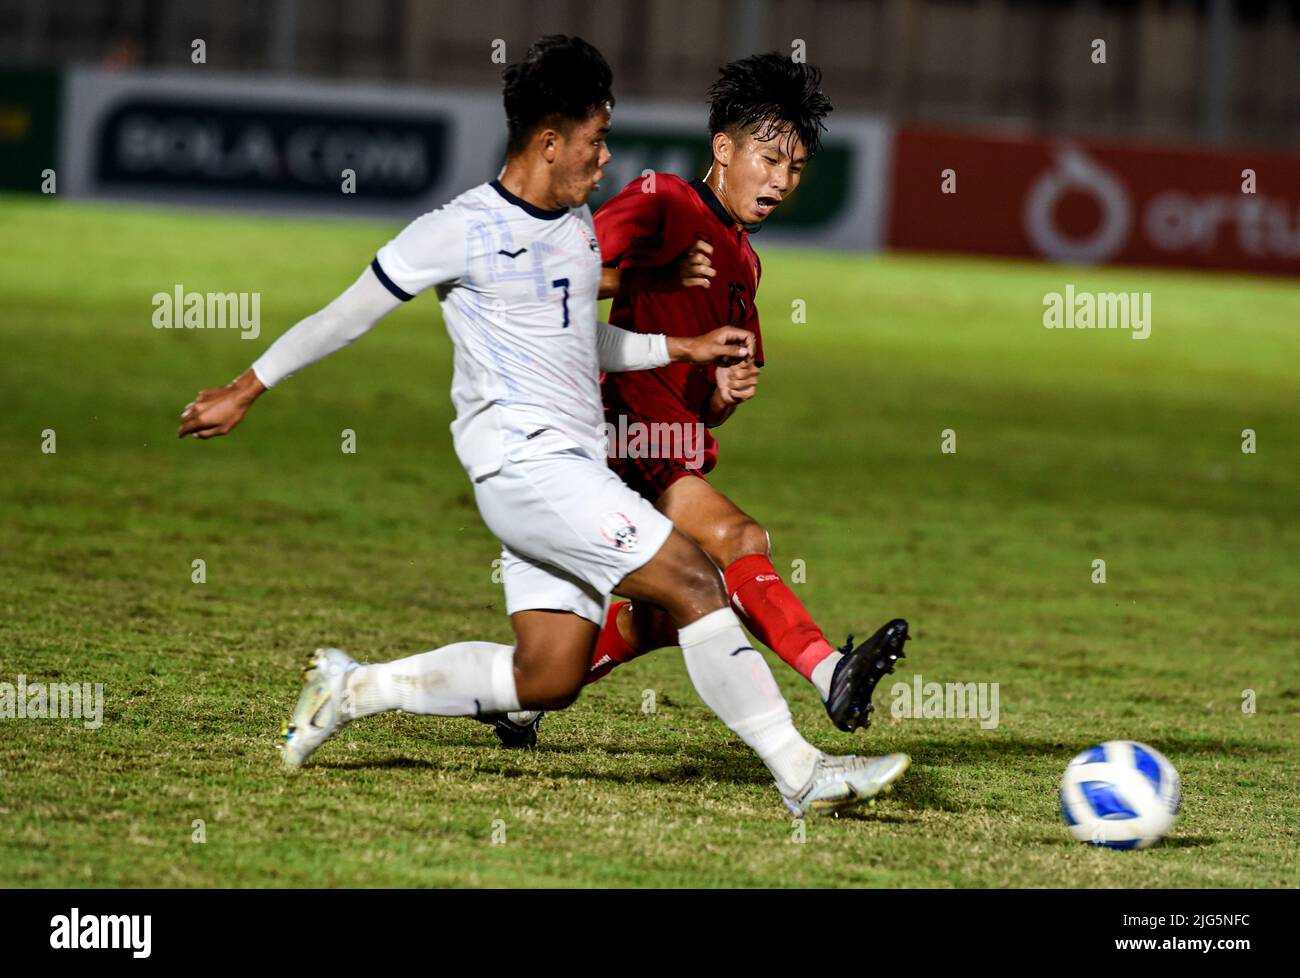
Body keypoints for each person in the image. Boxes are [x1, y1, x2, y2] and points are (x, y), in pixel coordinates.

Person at [177, 36, 909, 816]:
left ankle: (353, 687)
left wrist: (684, 347)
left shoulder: (570, 231)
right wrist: (247, 386)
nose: (605, 159)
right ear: (551, 142)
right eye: (595, 141)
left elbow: (580, 338)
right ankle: (802, 774)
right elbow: (347, 314)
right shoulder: (459, 228)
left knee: (548, 676)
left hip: (574, 468)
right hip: (525, 465)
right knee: (701, 583)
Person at [488, 53, 909, 752]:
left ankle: (517, 700)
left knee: (681, 605)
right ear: (723, 148)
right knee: (740, 544)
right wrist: (648, 271)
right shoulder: (663, 203)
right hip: (609, 439)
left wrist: (723, 394)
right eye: (769, 159)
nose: (780, 181)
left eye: (795, 169)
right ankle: (831, 670)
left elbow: (711, 407)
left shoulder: (747, 264)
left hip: (660, 452)